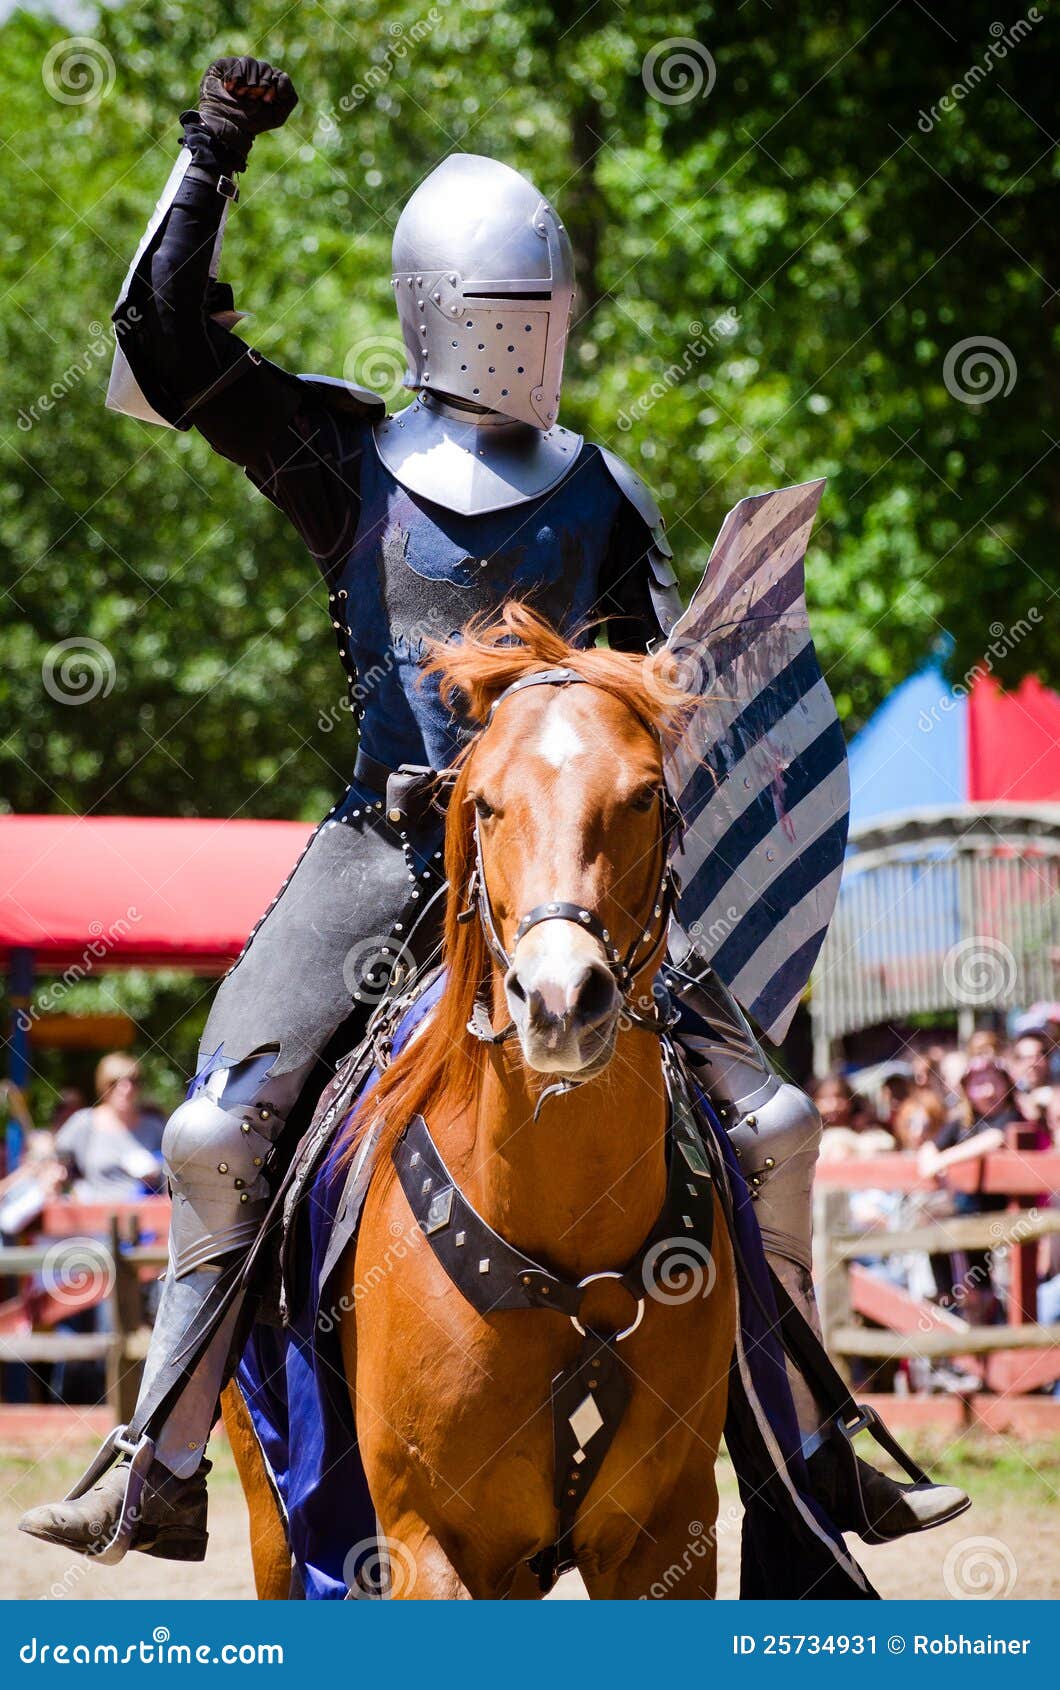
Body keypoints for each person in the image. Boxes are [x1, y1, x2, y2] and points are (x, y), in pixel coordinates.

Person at [21, 57, 964, 1564]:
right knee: (214, 1125)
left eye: (545, 309)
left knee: (772, 1119)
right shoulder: (345, 457)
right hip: (382, 853)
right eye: (505, 308)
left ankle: (806, 1450)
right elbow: (160, 342)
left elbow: (664, 695)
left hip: (566, 867)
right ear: (439, 312)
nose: (528, 336)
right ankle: (162, 1452)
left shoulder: (604, 489)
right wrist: (211, 151)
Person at [54, 1055, 164, 1202]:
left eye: (132, 1081)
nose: (126, 1088)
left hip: (147, 1212)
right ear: (103, 1086)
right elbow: (53, 1159)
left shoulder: (154, 1127)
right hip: (94, 1212)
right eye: (115, 1082)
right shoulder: (84, 1122)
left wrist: (157, 1174)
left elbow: (176, 1174)